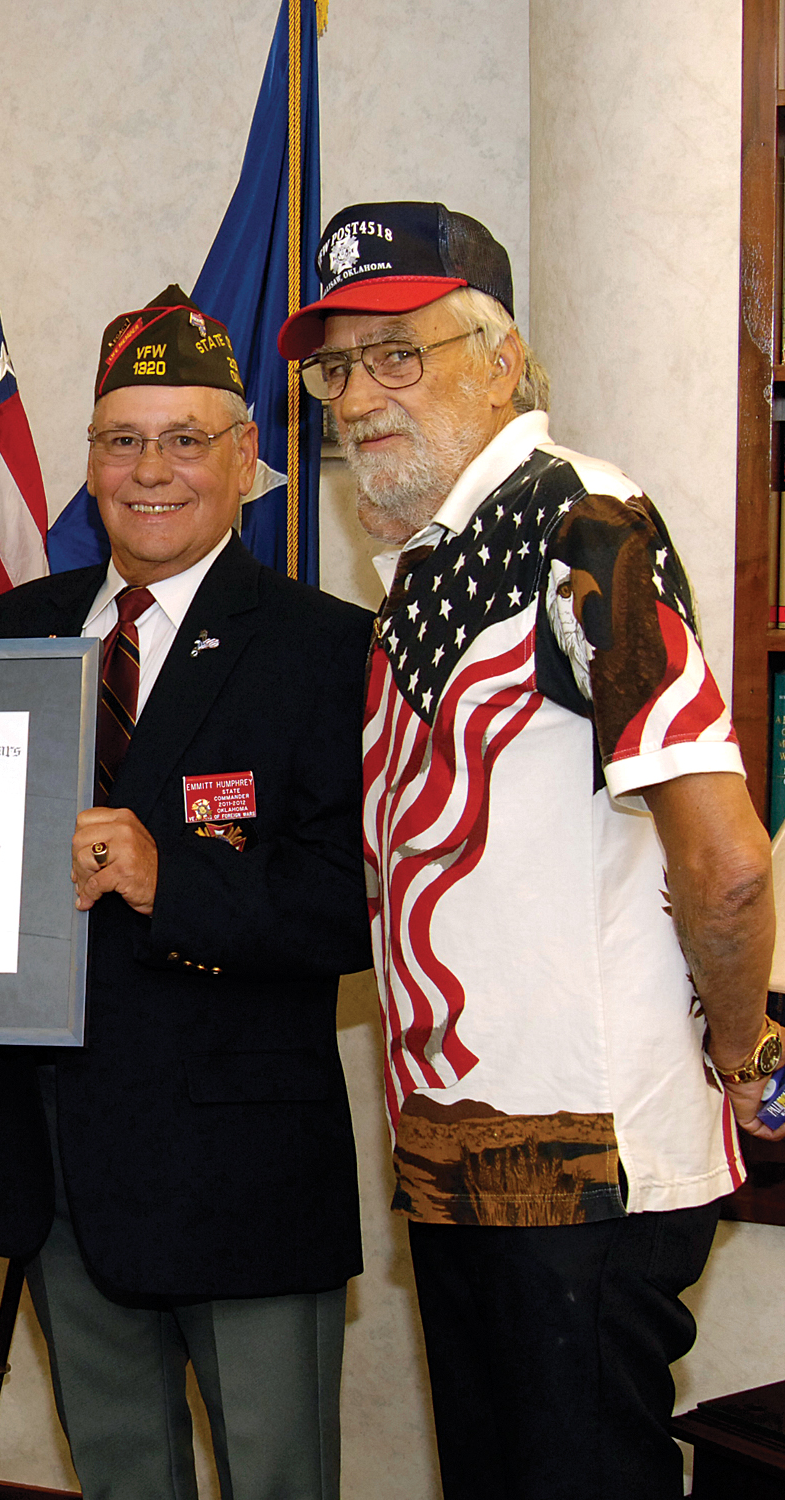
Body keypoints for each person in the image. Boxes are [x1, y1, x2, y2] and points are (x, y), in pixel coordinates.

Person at [279, 200, 778, 1498]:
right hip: (459, 1168)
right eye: (338, 367)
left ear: (501, 358)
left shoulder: (587, 527)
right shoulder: (422, 573)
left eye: (402, 353)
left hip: (585, 1178)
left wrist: (739, 1048)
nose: (360, 397)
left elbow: (726, 860)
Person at [0, 286, 371, 1500]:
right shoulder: (6, 632)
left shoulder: (325, 646)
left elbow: (350, 907)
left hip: (240, 1172)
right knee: (123, 1479)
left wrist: (163, 876)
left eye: (188, 440)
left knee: (276, 1482)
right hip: (55, 1163)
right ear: (88, 463)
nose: (152, 471)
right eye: (124, 440)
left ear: (245, 457)